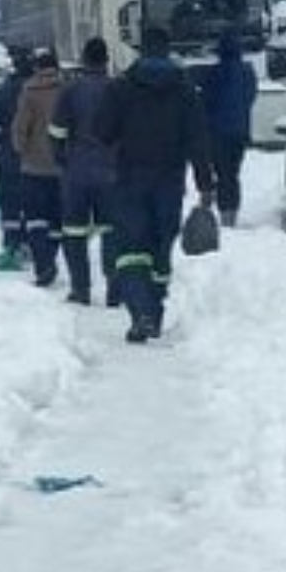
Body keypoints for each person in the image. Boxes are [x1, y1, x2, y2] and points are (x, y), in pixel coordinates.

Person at [92, 25, 215, 343]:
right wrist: (205, 183)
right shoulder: (185, 89)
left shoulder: (122, 87)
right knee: (160, 249)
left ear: (141, 50)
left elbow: (101, 130)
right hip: (170, 181)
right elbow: (198, 139)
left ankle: (141, 313)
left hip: (129, 179)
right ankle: (155, 308)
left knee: (132, 249)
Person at [50, 37, 121, 307]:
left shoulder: (70, 90)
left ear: (84, 60)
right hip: (112, 174)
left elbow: (56, 131)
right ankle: (115, 288)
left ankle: (81, 289)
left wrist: (61, 160)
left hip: (77, 173)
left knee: (74, 233)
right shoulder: (118, 89)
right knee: (112, 232)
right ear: (106, 61)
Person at [10, 49, 66, 287]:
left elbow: (20, 129)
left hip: (33, 167)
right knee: (57, 221)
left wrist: (20, 149)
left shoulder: (29, 92)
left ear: (37, 68)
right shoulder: (67, 90)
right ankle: (51, 257)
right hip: (62, 167)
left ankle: (43, 265)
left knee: (35, 219)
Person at [0, 47, 36, 271]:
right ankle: (33, 244)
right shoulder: (37, 90)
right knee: (34, 204)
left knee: (10, 205)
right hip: (37, 159)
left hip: (8, 158)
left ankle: (12, 244)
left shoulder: (4, 92)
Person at [198, 28, 256, 229]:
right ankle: (232, 212)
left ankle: (225, 214)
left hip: (218, 132)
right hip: (240, 131)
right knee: (233, 173)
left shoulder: (213, 74)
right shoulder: (248, 72)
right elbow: (250, 98)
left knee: (223, 174)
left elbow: (206, 102)